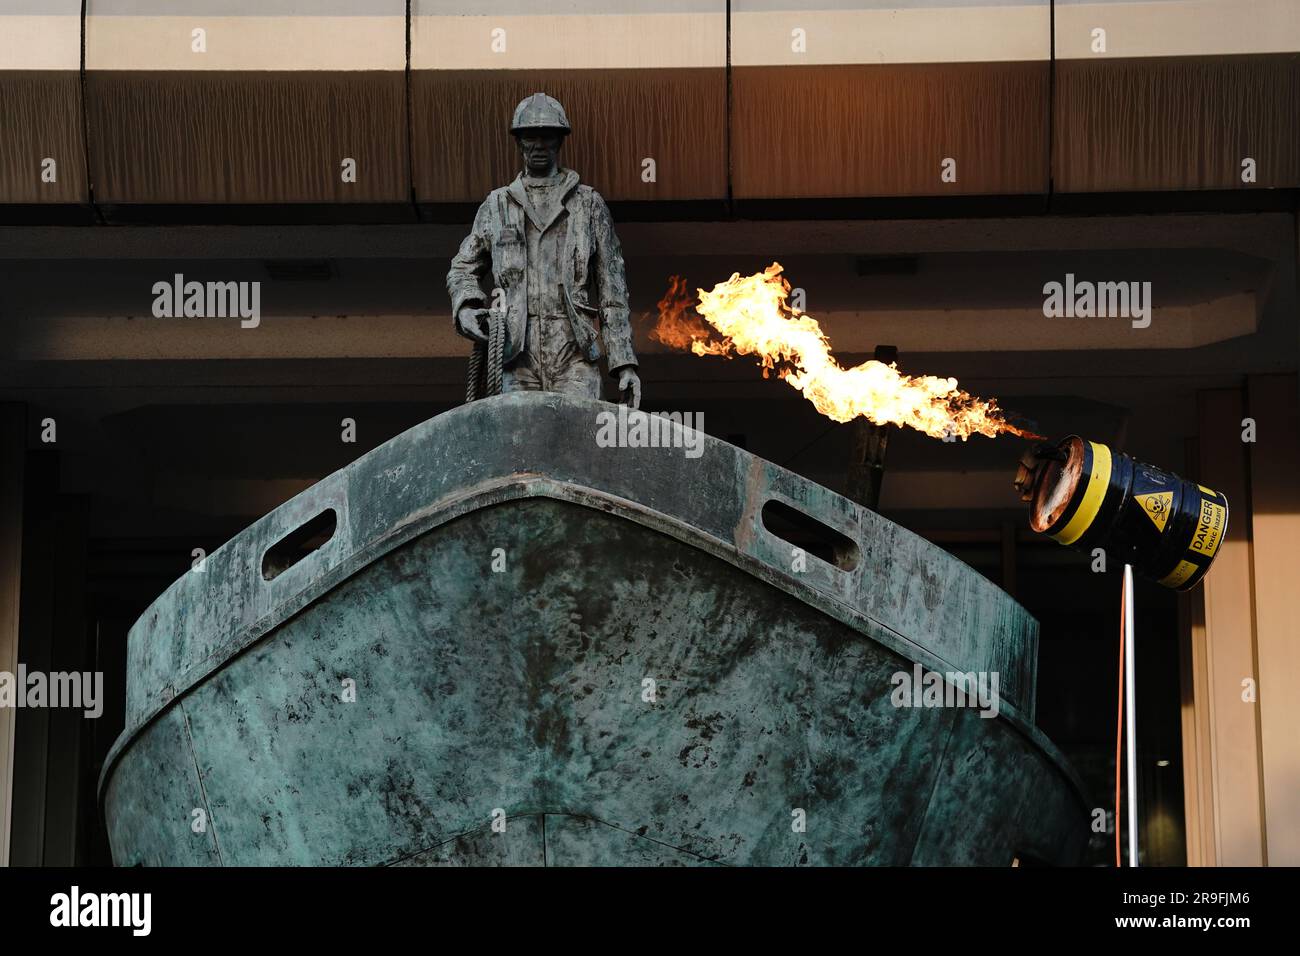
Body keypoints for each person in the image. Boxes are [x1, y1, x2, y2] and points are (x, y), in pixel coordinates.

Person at [447, 92, 641, 408]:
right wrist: (466, 306)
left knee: (578, 440)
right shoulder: (497, 205)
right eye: (530, 137)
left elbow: (612, 290)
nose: (538, 145)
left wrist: (624, 362)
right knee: (519, 444)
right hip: (516, 354)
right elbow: (463, 267)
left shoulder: (588, 205)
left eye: (547, 137)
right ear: (519, 142)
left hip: (574, 351)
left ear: (559, 141)